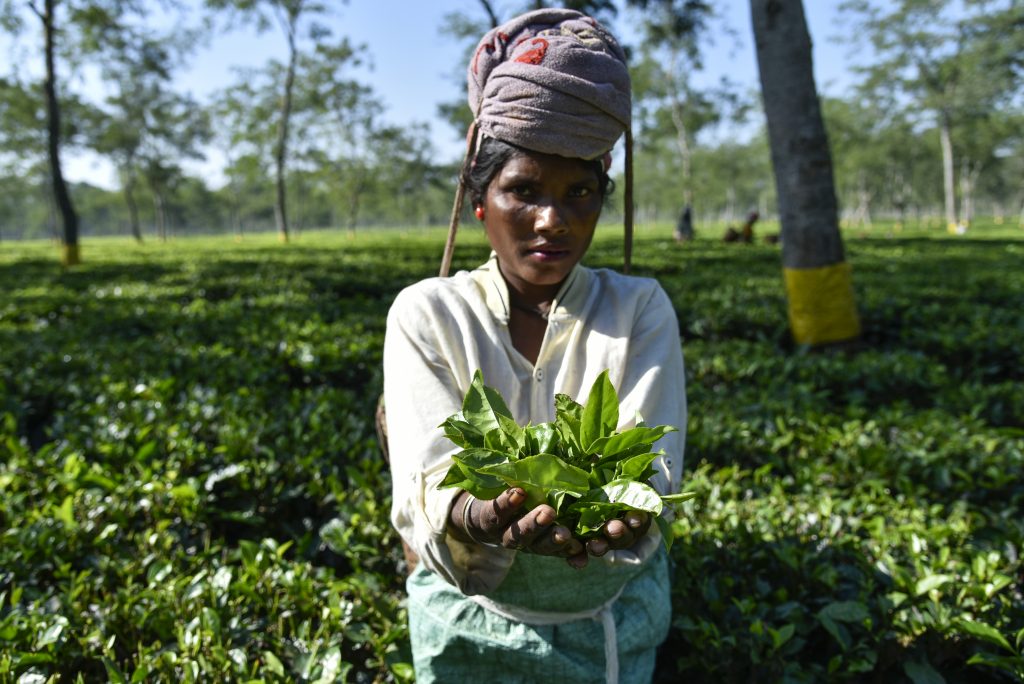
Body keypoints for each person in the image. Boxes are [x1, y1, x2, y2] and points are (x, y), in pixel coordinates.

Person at [382, 9, 687, 683]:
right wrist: (476, 515)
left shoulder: (639, 309)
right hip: (467, 614)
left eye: (579, 192)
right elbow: (426, 478)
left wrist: (625, 514)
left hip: (603, 612)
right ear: (481, 200)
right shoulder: (428, 313)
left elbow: (653, 464)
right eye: (524, 190)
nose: (554, 219)